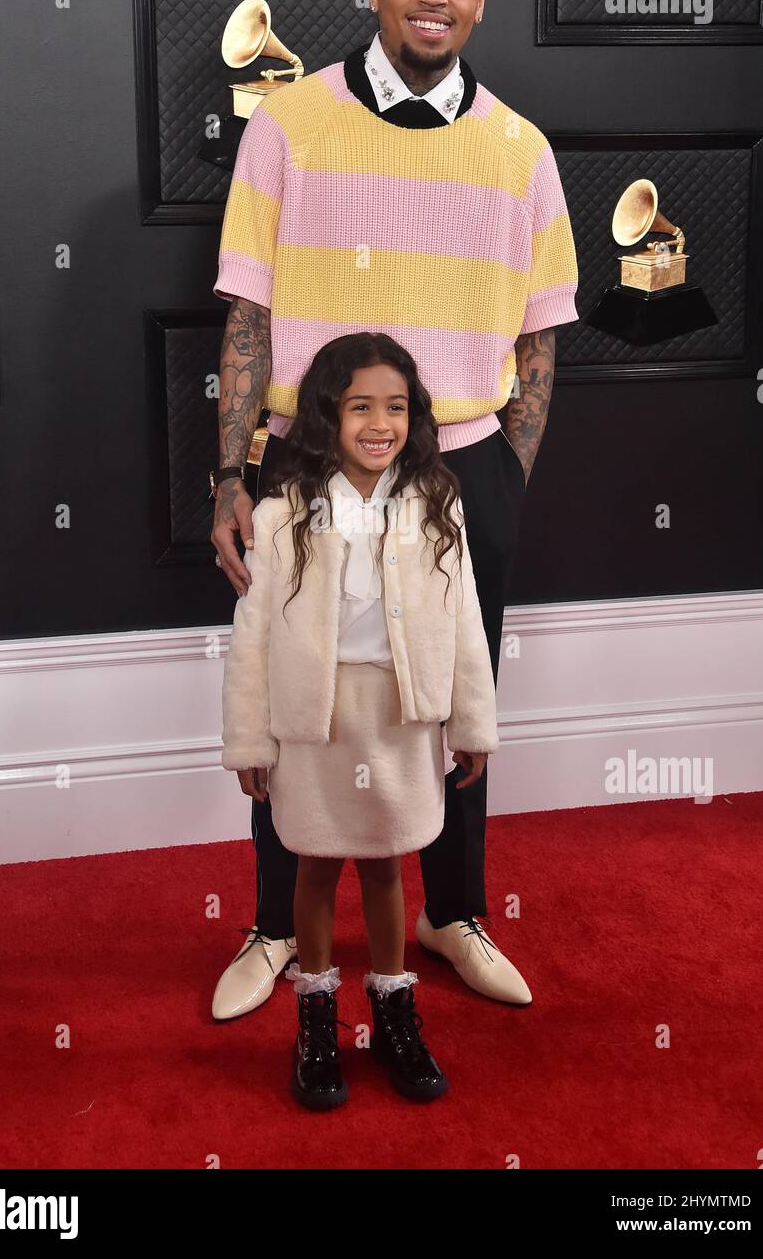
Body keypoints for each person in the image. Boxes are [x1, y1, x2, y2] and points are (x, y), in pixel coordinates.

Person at [210, 0, 579, 1019]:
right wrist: (233, 473)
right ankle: (277, 924)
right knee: (296, 695)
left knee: (454, 698)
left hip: (461, 469)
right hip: (306, 468)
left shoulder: (521, 149)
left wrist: (503, 474)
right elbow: (244, 315)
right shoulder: (289, 124)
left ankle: (451, 909)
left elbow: (539, 336)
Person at [220, 332, 499, 1107]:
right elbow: (253, 636)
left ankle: (393, 1006)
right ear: (327, 415)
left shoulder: (438, 504)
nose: (381, 423)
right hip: (317, 721)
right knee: (314, 862)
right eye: (361, 407)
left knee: (385, 865)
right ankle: (316, 1014)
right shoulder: (283, 514)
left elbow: (466, 618)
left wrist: (471, 722)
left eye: (397, 407)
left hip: (401, 720)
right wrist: (249, 737)